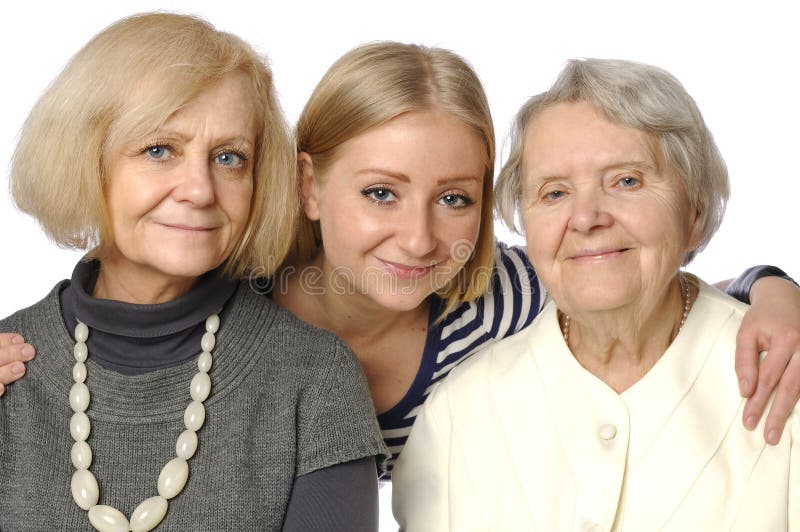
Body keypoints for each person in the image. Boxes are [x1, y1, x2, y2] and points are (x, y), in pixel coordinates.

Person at [3, 41, 800, 472]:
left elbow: (645, 283)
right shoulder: (238, 281)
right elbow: (109, 317)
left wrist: (771, 290)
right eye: (380, 194)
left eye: (455, 198)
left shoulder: (504, 297)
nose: (420, 241)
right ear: (309, 186)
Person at [0, 13, 386, 531]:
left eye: (229, 157)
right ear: (84, 161)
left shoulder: (312, 379)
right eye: (159, 150)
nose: (201, 190)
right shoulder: (9, 367)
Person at [392, 58, 799, 530]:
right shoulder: (457, 413)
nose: (586, 217)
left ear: (695, 210)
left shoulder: (785, 373)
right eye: (554, 193)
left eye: (626, 180)